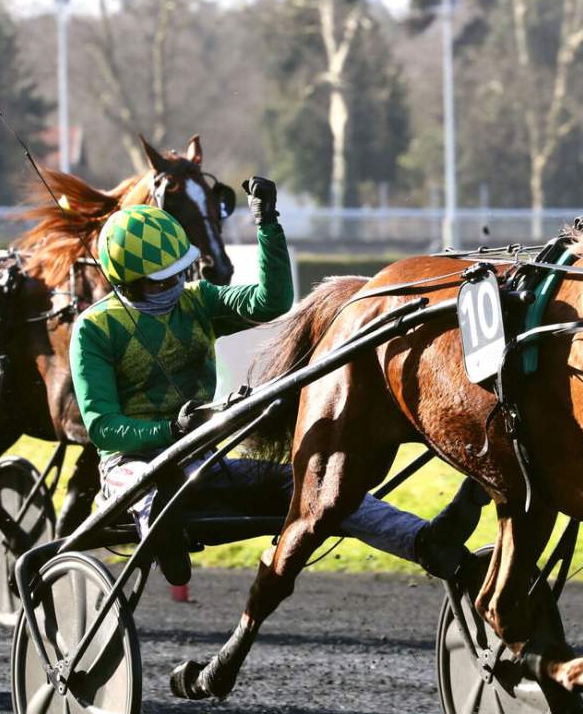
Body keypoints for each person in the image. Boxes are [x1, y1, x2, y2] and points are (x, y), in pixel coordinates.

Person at [69, 179, 487, 585]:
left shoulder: (198, 300)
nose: (178, 284)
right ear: (130, 282)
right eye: (164, 279)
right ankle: (162, 531)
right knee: (147, 487)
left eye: (181, 272)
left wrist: (267, 223)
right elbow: (103, 426)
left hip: (201, 463)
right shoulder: (95, 329)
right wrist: (169, 430)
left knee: (315, 484)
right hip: (130, 469)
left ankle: (422, 540)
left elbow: (270, 302)